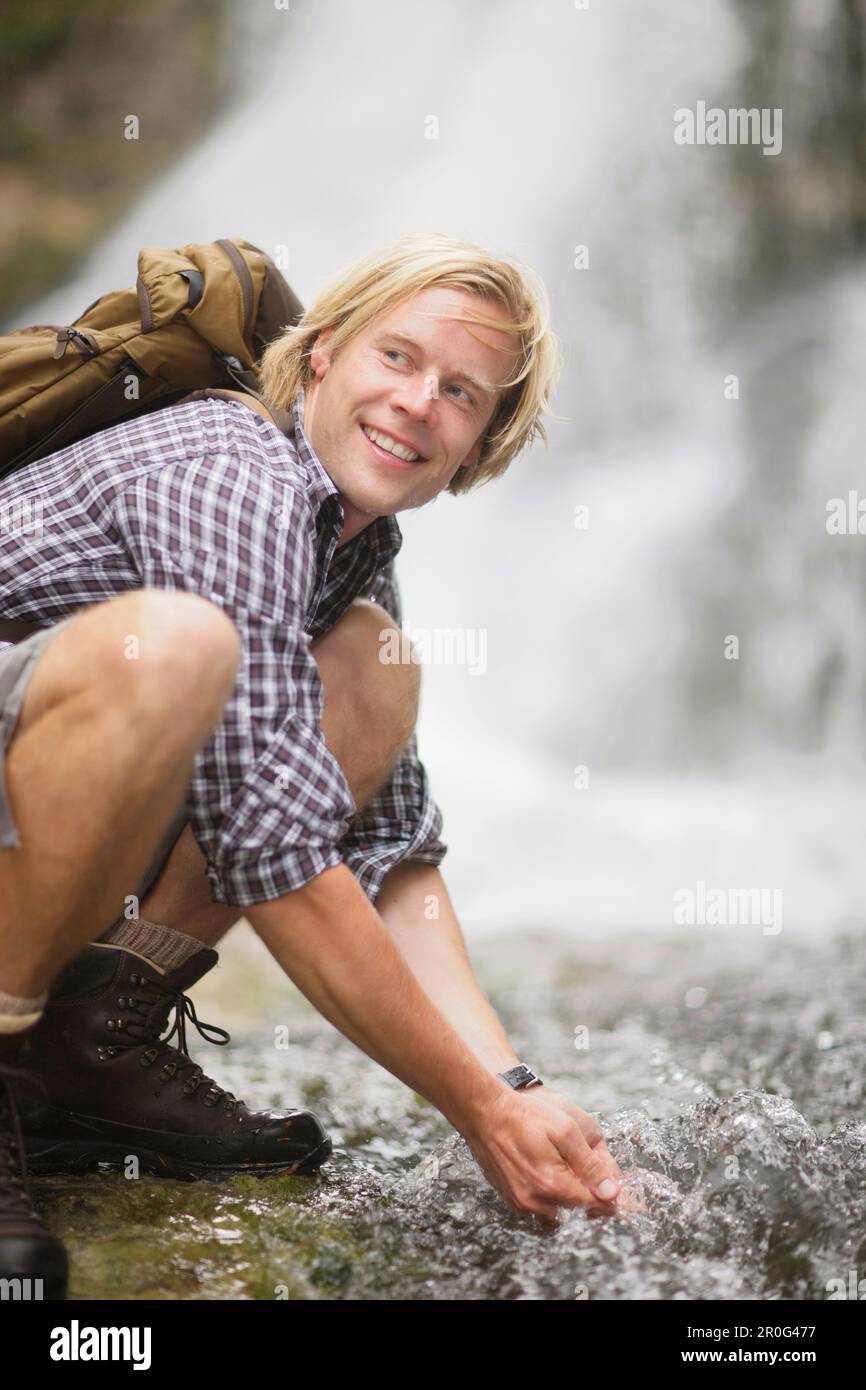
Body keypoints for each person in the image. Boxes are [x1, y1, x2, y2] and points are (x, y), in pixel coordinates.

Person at [0, 233, 627, 1298]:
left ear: (478, 446)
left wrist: (516, 1087)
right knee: (185, 652)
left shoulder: (352, 549)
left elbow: (389, 854)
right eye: (397, 358)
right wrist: (476, 1115)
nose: (420, 401)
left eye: (461, 393)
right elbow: (271, 848)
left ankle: (83, 1052)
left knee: (372, 665)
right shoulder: (232, 469)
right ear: (324, 353)